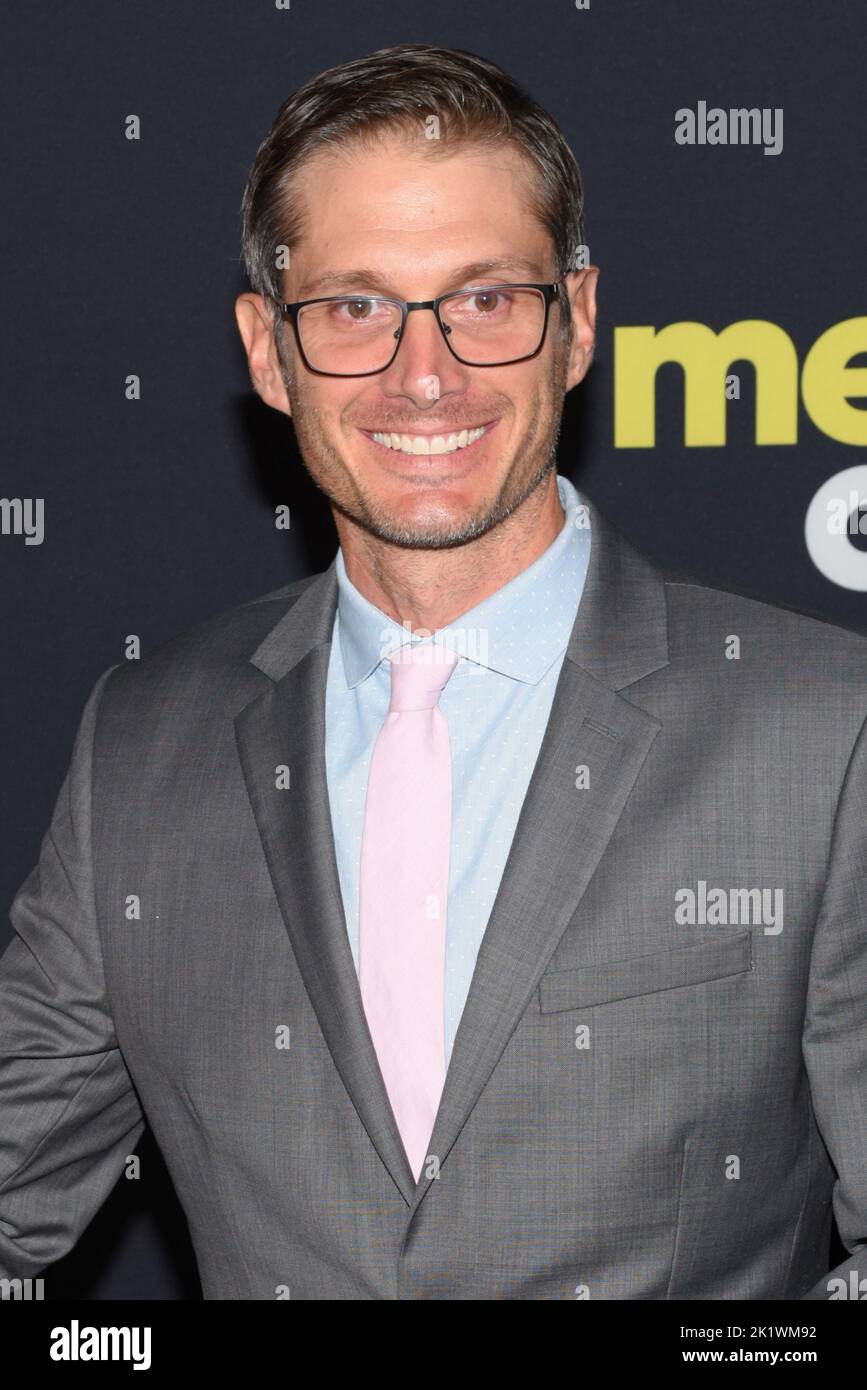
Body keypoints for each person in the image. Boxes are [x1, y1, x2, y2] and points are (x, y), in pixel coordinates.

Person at [1, 42, 865, 1301]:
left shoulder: (823, 733)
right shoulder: (144, 744)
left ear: (575, 324)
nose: (425, 373)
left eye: (484, 300)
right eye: (354, 306)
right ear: (266, 348)